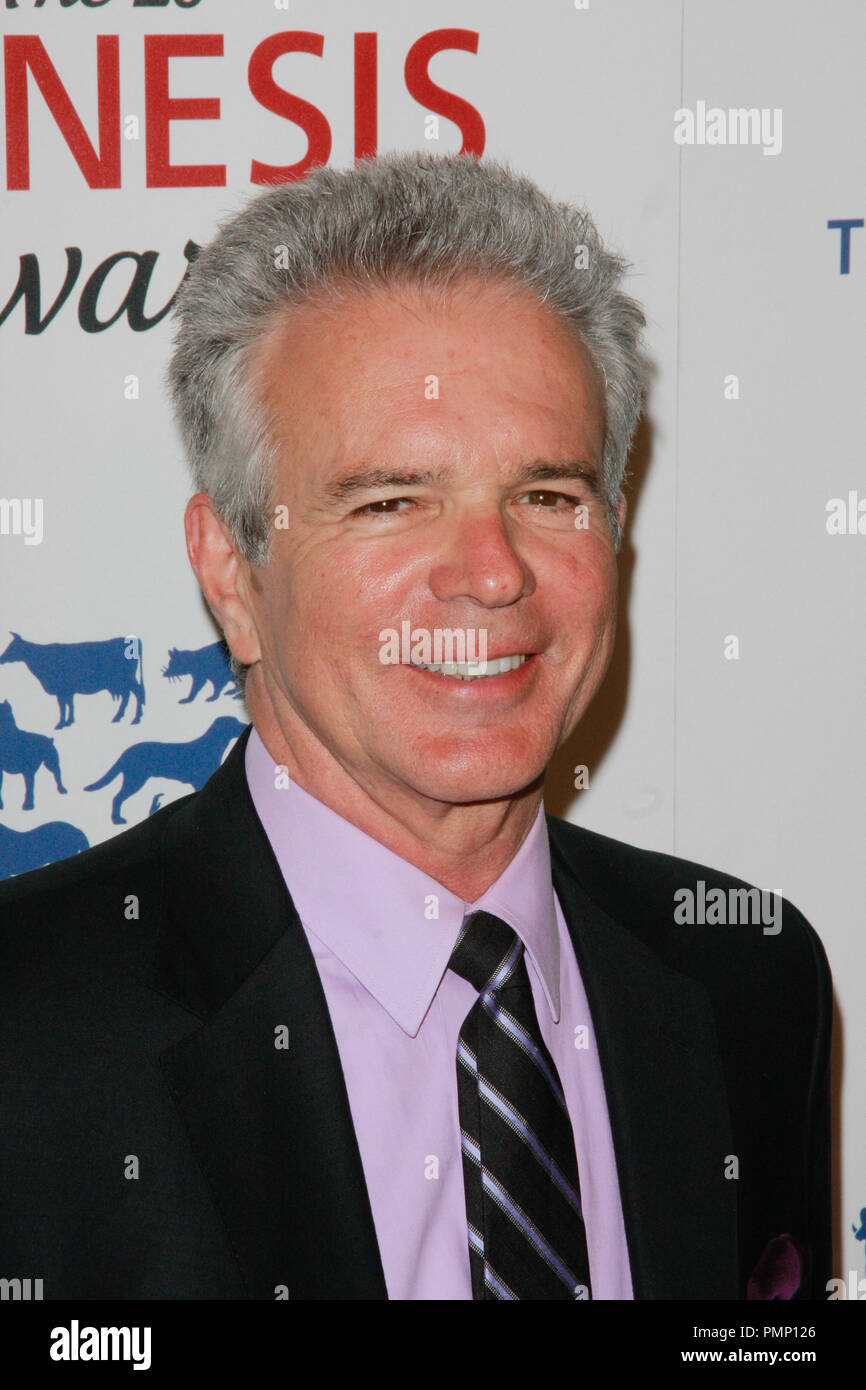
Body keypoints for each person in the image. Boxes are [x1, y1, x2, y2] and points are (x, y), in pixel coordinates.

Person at [0, 153, 831, 1300]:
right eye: (391, 501)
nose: (490, 574)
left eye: (547, 496)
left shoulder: (746, 977)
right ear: (232, 570)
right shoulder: (27, 1028)